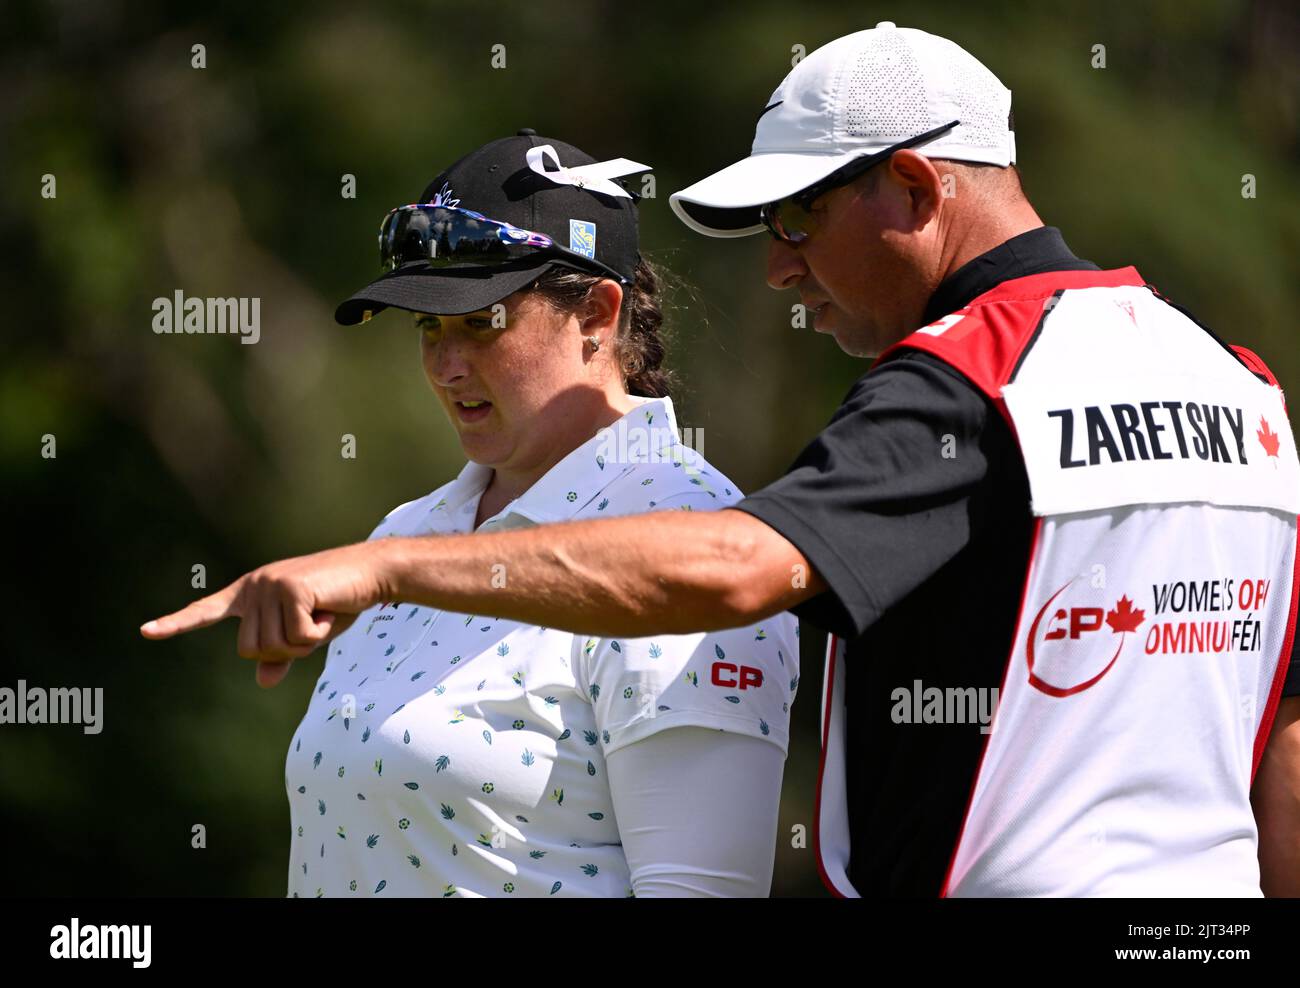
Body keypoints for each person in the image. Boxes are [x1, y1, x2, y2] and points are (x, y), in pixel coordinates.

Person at [142, 26, 1300, 898]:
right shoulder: (1238, 384)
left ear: (913, 186)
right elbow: (1282, 729)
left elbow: (740, 568)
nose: (781, 271)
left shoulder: (968, 375)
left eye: (797, 221)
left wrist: (392, 572)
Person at [159, 131, 801, 898]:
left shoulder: (697, 539)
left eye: (481, 321)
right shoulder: (404, 534)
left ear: (597, 313)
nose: (445, 364)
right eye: (429, 326)